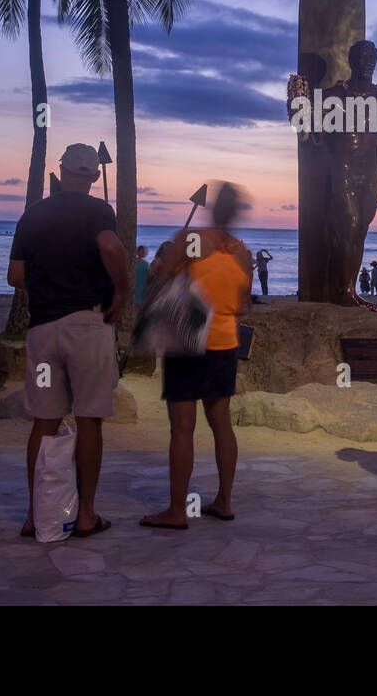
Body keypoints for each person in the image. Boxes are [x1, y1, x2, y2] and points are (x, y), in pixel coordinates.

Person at [8, 143, 130, 539]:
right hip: (86, 326)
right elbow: (110, 246)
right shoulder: (98, 211)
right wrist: (121, 290)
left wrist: (47, 284)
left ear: (59, 172)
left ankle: (35, 514)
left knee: (44, 421)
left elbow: (14, 275)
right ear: (94, 176)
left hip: (44, 329)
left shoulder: (33, 214)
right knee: (88, 419)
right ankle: (86, 514)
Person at [142, 182, 252, 529]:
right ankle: (224, 501)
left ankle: (177, 510)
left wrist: (159, 273)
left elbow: (159, 280)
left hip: (187, 339)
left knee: (182, 429)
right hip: (224, 342)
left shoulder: (191, 238)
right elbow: (243, 305)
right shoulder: (243, 254)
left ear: (213, 209)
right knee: (221, 424)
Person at [134, 246, 150, 316]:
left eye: (143, 251)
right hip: (135, 284)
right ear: (137, 251)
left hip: (142, 285)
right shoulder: (133, 261)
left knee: (140, 306)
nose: (141, 252)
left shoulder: (146, 264)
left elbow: (147, 275)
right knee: (135, 304)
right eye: (140, 250)